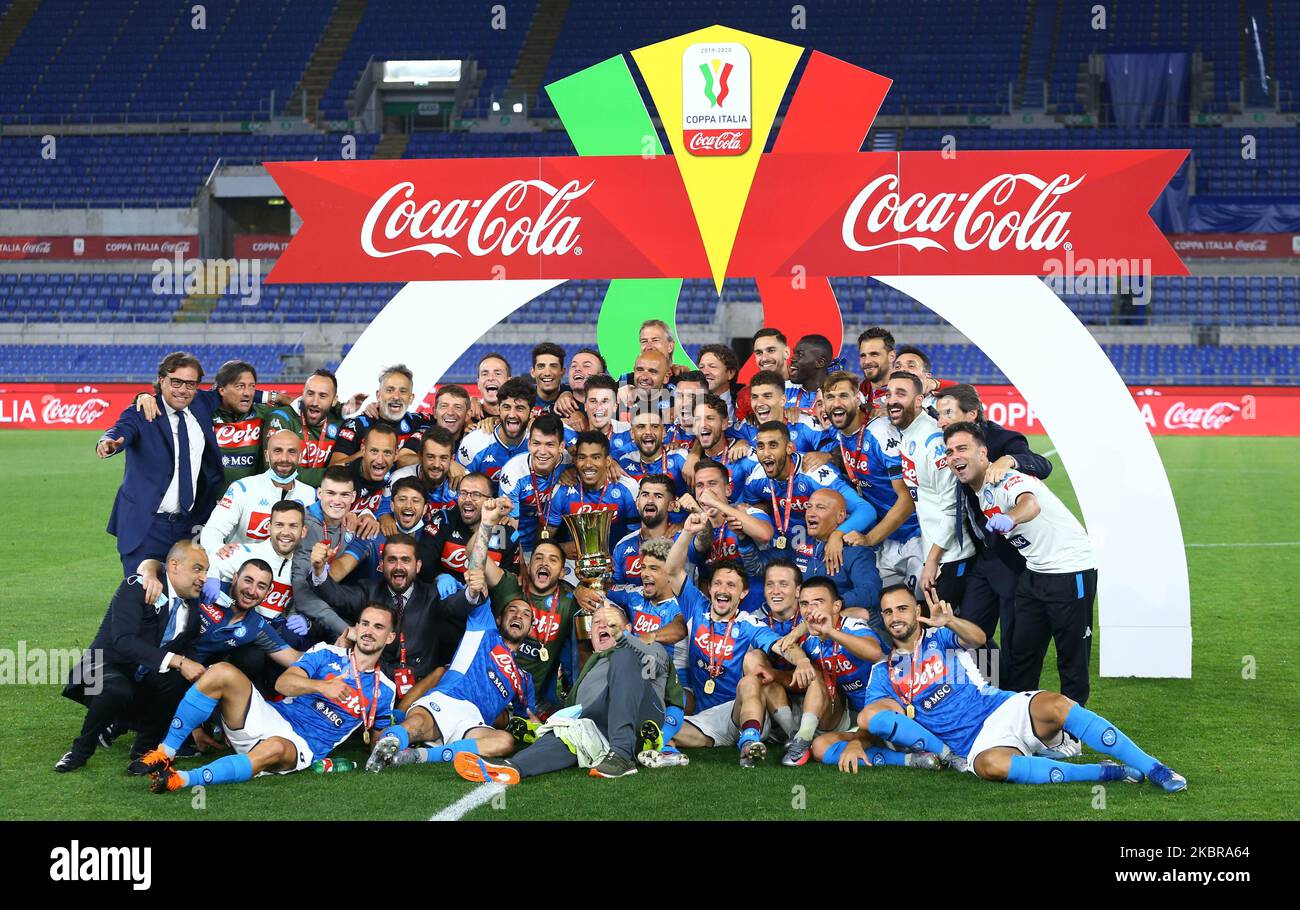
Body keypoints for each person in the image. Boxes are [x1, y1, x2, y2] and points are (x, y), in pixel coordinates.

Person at [840, 586, 1186, 791]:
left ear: (917, 611)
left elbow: (977, 639)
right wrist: (857, 740)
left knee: (1055, 705)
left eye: (902, 608)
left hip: (999, 708)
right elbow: (875, 717)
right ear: (882, 620)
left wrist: (952, 620)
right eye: (887, 612)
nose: (895, 616)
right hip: (971, 745)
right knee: (993, 768)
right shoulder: (883, 671)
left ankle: (1155, 768)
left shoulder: (941, 636)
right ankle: (1107, 772)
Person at [138, 604, 399, 793]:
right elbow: (283, 683)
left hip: (300, 745)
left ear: (389, 637)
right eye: (364, 623)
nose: (368, 631)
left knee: (274, 746)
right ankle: (164, 753)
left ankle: (181, 780)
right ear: (356, 627)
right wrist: (321, 687)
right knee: (222, 672)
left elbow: (377, 740)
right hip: (271, 716)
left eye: (378, 627)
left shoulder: (384, 690)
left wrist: (392, 741)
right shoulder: (326, 653)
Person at [945, 421, 1098, 705]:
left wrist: (1011, 518)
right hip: (1034, 571)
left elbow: (1030, 503)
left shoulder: (1007, 479)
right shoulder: (978, 489)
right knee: (1022, 654)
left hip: (1069, 569)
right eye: (950, 451)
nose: (954, 456)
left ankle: (1071, 733)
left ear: (982, 453)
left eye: (962, 448)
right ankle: (1020, 723)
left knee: (1071, 657)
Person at [454, 606, 678, 783]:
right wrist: (543, 725)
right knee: (566, 733)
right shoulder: (588, 670)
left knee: (623, 656)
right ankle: (513, 767)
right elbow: (573, 713)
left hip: (643, 721)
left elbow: (652, 664)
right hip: (600, 727)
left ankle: (622, 756)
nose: (603, 626)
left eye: (611, 622)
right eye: (597, 622)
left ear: (626, 628)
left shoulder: (645, 648)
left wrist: (623, 639)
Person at [935, 384, 1055, 677]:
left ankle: (1018, 698)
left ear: (972, 414)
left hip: (1014, 560)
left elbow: (1042, 465)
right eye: (938, 415)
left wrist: (1008, 460)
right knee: (969, 630)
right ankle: (986, 688)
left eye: (947, 413)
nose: (940, 421)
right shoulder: (950, 446)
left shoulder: (1001, 439)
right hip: (984, 558)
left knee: (1018, 639)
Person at [56, 540, 207, 773]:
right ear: (174, 566)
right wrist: (180, 661)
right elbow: (124, 641)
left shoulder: (194, 607)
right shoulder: (137, 587)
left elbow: (188, 648)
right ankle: (80, 751)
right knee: (118, 688)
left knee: (178, 679)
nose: (203, 578)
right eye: (198, 568)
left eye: (206, 571)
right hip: (102, 668)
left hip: (140, 677)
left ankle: (144, 750)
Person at [364, 570, 538, 772]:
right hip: (447, 700)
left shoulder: (525, 680)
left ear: (531, 629)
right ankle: (391, 741)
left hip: (474, 721)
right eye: (512, 610)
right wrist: (462, 578)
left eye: (526, 614)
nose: (518, 615)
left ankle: (418, 755)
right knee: (416, 725)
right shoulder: (485, 628)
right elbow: (476, 588)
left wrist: (534, 725)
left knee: (504, 742)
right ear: (498, 619)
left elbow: (525, 719)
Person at [666, 538, 816, 767]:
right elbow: (672, 569)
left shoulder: (749, 623)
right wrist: (688, 531)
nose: (723, 590)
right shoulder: (696, 608)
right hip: (707, 720)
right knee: (662, 726)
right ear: (710, 588)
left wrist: (803, 660)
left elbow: (783, 646)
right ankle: (670, 750)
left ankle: (749, 743)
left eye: (731, 585)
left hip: (742, 710)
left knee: (749, 681)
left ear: (743, 592)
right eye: (718, 583)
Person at [97, 352, 226, 576]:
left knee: (186, 594)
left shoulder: (201, 404)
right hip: (147, 525)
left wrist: (273, 398)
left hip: (189, 524)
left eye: (190, 384)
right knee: (141, 594)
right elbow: (120, 430)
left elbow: (237, 390)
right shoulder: (144, 410)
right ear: (162, 380)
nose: (183, 389)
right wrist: (109, 443)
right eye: (176, 382)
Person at [309, 534, 470, 698]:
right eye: (392, 560)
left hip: (420, 691)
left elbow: (458, 604)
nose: (398, 566)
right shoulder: (368, 590)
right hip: (372, 687)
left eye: (406, 560)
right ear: (382, 565)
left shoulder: (433, 594)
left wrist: (474, 591)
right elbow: (336, 595)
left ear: (418, 566)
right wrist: (319, 569)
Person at [819, 370, 924, 595]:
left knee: (922, 606)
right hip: (888, 537)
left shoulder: (881, 432)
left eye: (843, 396)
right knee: (883, 605)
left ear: (858, 399)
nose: (836, 403)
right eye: (830, 397)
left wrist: (868, 538)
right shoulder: (842, 435)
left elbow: (907, 500)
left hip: (917, 533)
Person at [887, 371, 975, 604]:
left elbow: (953, 509)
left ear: (918, 400)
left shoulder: (934, 442)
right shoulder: (908, 434)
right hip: (936, 553)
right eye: (889, 393)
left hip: (952, 556)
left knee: (950, 631)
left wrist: (933, 561)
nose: (891, 399)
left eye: (901, 393)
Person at [741, 421, 875, 550]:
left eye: (773, 445)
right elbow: (755, 507)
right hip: (787, 548)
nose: (766, 453)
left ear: (789, 448)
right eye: (760, 446)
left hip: (829, 547)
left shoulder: (814, 474)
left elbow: (866, 510)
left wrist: (837, 535)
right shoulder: (756, 477)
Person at [199, 429, 317, 554]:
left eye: (292, 452)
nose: (284, 458)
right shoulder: (243, 488)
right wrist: (219, 552)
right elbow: (213, 531)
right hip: (241, 569)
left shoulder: (309, 494)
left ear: (301, 457)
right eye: (277, 451)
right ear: (267, 455)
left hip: (287, 570)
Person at [291, 466, 359, 642]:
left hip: (331, 605)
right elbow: (301, 590)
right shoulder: (305, 526)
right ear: (319, 493)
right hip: (297, 612)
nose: (337, 501)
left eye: (344, 495)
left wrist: (367, 515)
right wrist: (347, 630)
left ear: (353, 497)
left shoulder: (349, 522)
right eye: (331, 493)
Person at [794, 488, 883, 620]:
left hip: (847, 625)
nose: (811, 513)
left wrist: (833, 605)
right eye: (809, 507)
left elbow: (871, 591)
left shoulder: (855, 549)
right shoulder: (800, 543)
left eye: (820, 507)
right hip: (808, 623)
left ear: (840, 517)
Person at [419, 472, 517, 592]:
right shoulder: (444, 519)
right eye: (463, 493)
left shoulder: (508, 534)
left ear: (490, 500)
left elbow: (508, 586)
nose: (467, 500)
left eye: (476, 494)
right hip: (444, 600)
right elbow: (424, 565)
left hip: (486, 603)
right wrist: (438, 578)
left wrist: (490, 520)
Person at [544, 431, 641, 550]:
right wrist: (561, 548)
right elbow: (545, 537)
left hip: (615, 561)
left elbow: (636, 537)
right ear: (575, 461)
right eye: (582, 457)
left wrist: (618, 560)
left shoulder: (628, 488)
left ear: (608, 461)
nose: (588, 464)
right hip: (575, 563)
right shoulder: (562, 488)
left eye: (596, 457)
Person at [330, 477, 430, 582]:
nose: (408, 506)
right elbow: (343, 565)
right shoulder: (372, 530)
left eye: (415, 501)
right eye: (402, 499)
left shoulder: (431, 538)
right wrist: (320, 578)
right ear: (392, 505)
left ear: (424, 509)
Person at [497, 414, 568, 558]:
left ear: (561, 446)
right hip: (517, 545)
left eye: (550, 444)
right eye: (536, 443)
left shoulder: (570, 463)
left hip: (555, 544)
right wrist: (519, 562)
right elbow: (509, 526)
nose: (542, 451)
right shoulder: (513, 472)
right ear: (529, 444)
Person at [330, 364, 431, 465]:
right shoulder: (355, 426)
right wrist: (365, 454)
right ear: (378, 395)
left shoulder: (421, 421)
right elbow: (333, 468)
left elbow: (444, 418)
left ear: (411, 398)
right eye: (390, 390)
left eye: (403, 391)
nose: (396, 396)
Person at [265, 368, 350, 486]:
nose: (315, 402)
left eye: (323, 396)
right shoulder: (281, 418)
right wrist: (332, 474)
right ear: (302, 394)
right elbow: (278, 471)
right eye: (310, 393)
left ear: (334, 400)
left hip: (324, 498)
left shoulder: (340, 422)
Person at [732, 370, 833, 452]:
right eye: (755, 397)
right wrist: (740, 441)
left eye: (767, 396)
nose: (759, 403)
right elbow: (720, 437)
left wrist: (825, 457)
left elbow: (836, 451)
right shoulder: (747, 425)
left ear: (782, 400)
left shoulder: (805, 424)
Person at [457, 376, 533, 483]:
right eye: (506, 407)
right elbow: (459, 488)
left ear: (531, 412)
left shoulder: (540, 444)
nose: (512, 414)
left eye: (520, 408)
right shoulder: (474, 442)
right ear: (499, 409)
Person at [391, 426, 461, 527]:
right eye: (430, 457)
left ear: (452, 459)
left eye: (443, 458)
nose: (436, 464)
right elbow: (384, 514)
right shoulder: (399, 478)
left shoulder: (464, 482)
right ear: (420, 456)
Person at [787, 334, 834, 419]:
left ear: (820, 363)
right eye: (794, 353)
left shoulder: (839, 395)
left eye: (800, 355)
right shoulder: (782, 389)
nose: (792, 358)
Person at [697, 343, 743, 419]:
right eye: (701, 367)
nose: (705, 372)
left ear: (730, 373)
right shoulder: (690, 404)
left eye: (712, 366)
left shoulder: (747, 401)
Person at [857, 326, 896, 414]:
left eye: (874, 354)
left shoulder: (911, 390)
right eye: (863, 356)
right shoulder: (857, 394)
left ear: (891, 356)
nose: (867, 361)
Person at [472, 351, 512, 423]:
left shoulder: (524, 416)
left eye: (497, 373)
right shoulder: (467, 416)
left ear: (509, 382)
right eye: (485, 374)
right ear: (478, 383)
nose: (490, 378)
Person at [530, 342, 567, 416]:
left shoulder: (573, 398)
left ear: (562, 372)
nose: (547, 373)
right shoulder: (522, 397)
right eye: (541, 366)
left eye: (553, 366)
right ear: (533, 372)